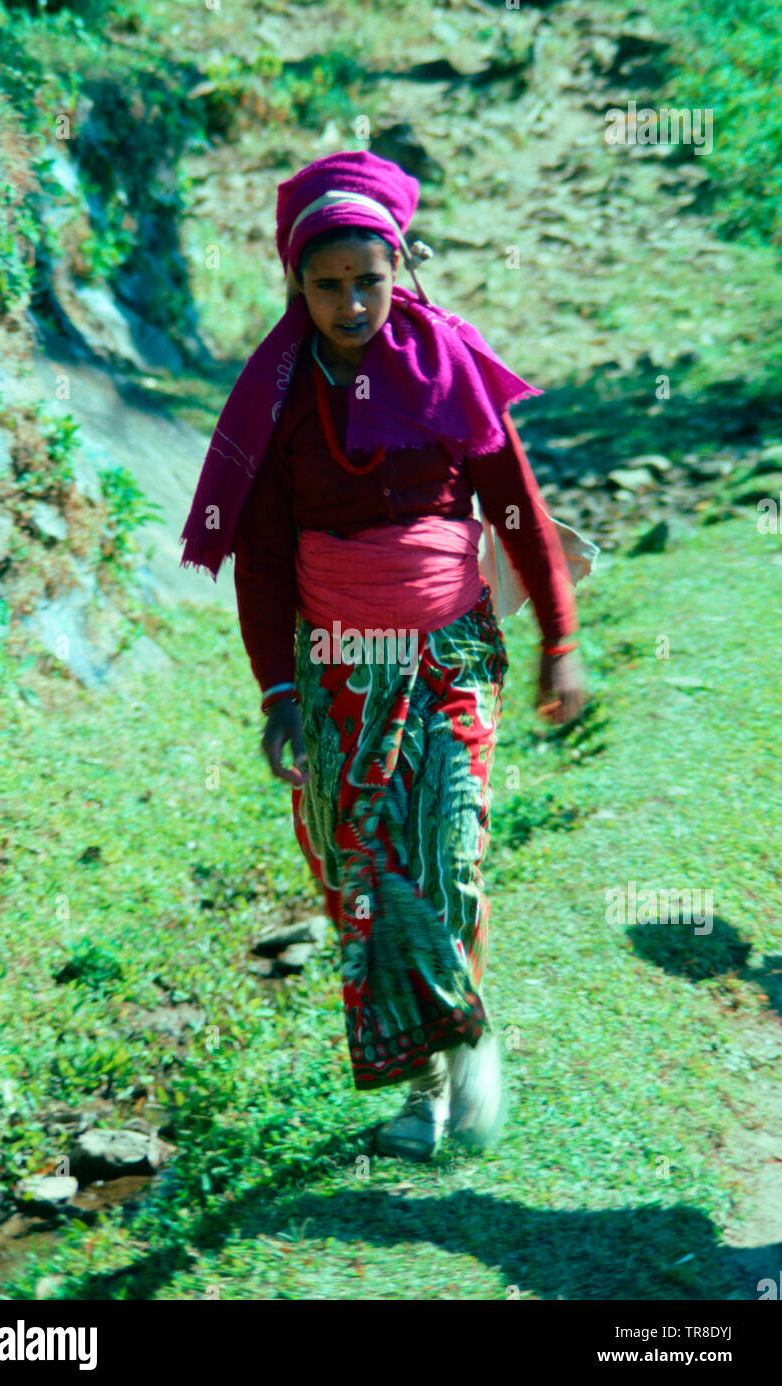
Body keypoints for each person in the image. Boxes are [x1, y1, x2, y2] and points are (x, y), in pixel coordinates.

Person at [180, 150, 590, 1161]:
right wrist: (277, 688)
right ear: (295, 285)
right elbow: (264, 554)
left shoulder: (446, 367)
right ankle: (419, 1088)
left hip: (448, 652)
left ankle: (468, 1044)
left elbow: (513, 509)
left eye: (370, 279)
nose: (352, 303)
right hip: (332, 669)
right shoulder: (274, 400)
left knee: (445, 853)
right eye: (328, 286)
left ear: (397, 267)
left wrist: (558, 642)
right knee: (359, 870)